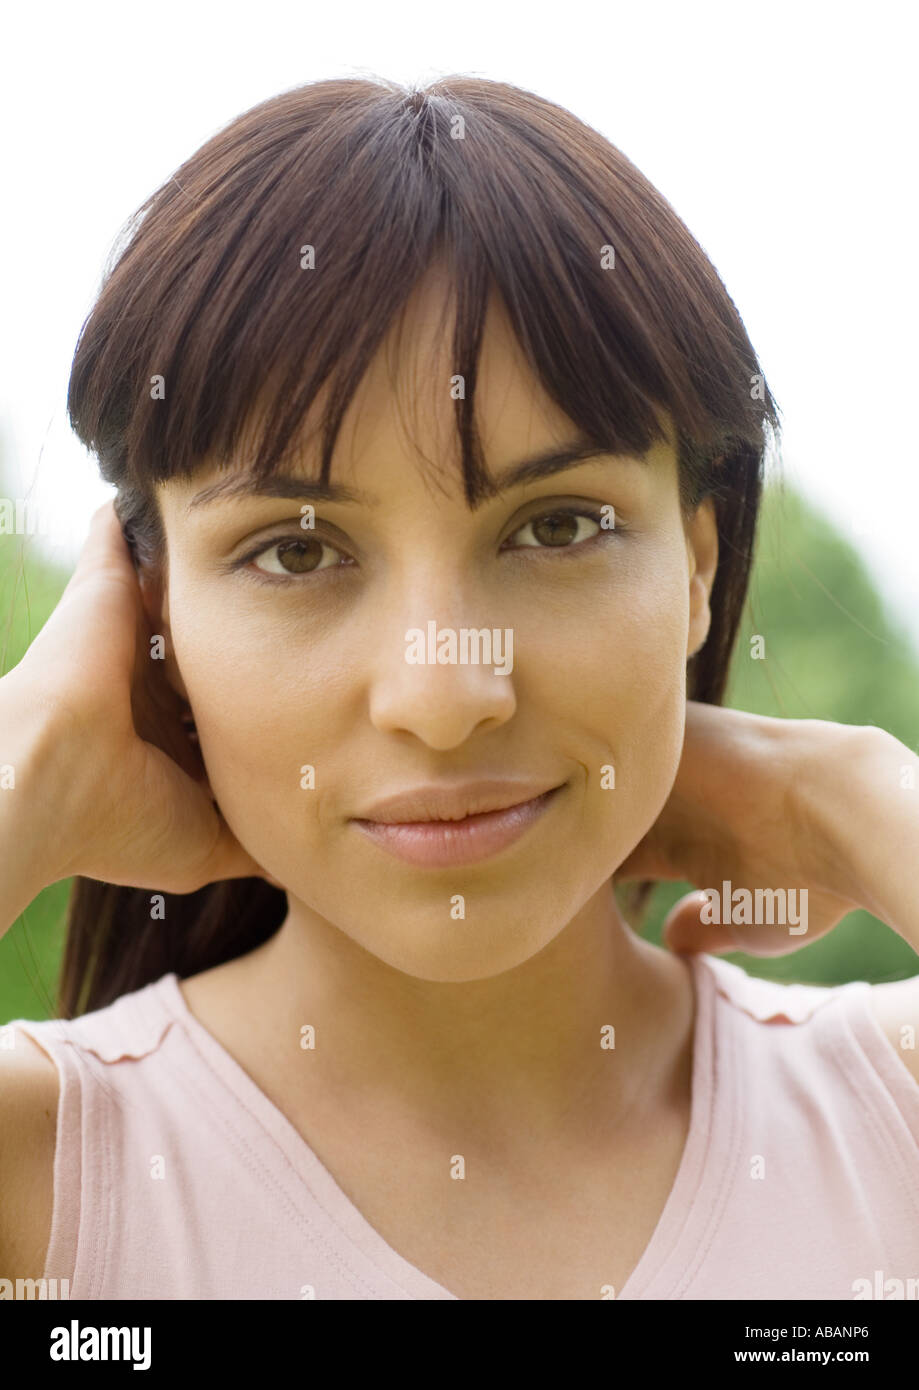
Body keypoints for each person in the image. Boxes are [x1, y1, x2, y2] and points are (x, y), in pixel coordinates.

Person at [1, 76, 917, 1302]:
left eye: (554, 527)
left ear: (697, 565)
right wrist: (26, 773)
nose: (443, 697)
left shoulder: (887, 1125)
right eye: (297, 551)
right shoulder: (46, 1186)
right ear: (148, 617)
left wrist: (853, 803)